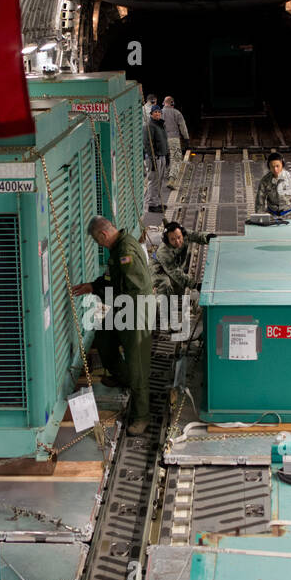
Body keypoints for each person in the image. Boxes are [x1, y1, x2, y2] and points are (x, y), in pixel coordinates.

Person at [71, 216, 154, 435]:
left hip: (135, 310)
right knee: (104, 340)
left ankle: (142, 415)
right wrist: (93, 285)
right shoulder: (117, 248)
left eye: (99, 242)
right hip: (122, 306)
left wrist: (99, 292)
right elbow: (111, 278)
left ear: (103, 235)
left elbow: (130, 290)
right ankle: (122, 375)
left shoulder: (126, 252)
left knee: (138, 365)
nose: (100, 246)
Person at [153, 221, 215, 297]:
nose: (177, 241)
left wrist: (207, 237)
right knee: (166, 285)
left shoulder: (184, 233)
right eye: (173, 239)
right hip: (158, 269)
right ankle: (163, 305)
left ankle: (177, 303)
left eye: (179, 237)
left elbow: (196, 235)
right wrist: (194, 285)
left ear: (182, 234)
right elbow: (174, 272)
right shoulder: (164, 252)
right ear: (167, 240)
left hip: (174, 265)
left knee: (179, 286)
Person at [255, 151, 291, 219]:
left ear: (282, 165)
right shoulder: (265, 180)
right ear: (269, 167)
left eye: (277, 166)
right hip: (271, 216)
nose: (275, 169)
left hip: (289, 216)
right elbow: (260, 202)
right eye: (272, 167)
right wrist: (260, 219)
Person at [144, 106, 169, 212]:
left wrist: (167, 155)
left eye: (159, 112)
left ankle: (157, 202)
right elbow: (147, 143)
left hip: (162, 156)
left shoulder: (160, 125)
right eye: (155, 112)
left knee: (160, 180)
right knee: (154, 180)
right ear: (151, 114)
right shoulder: (149, 126)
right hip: (155, 157)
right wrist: (152, 156)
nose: (158, 114)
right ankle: (152, 205)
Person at [162, 96, 190, 189]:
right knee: (176, 158)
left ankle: (164, 175)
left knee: (164, 157)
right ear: (172, 103)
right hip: (173, 139)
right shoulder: (177, 113)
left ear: (164, 103)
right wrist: (186, 138)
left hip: (161, 139)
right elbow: (182, 126)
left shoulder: (158, 113)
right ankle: (172, 179)